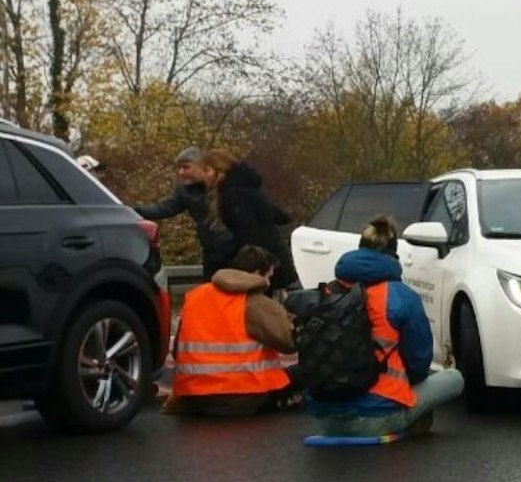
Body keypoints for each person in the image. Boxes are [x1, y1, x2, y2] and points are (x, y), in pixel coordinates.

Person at [306, 216, 464, 437]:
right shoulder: (400, 296)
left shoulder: (326, 293)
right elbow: (418, 362)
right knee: (453, 379)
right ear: (393, 253)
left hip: (324, 419)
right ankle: (412, 423)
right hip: (377, 416)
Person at [165, 245, 300, 416]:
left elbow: (177, 351)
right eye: (270, 276)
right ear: (258, 273)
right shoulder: (255, 303)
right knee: (305, 371)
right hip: (243, 398)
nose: (270, 282)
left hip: (195, 397)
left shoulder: (196, 296)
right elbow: (289, 343)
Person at [198, 149, 299, 290]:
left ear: (220, 171)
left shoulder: (232, 195)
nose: (204, 177)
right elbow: (279, 216)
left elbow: (247, 233)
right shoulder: (247, 188)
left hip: (261, 264)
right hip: (273, 258)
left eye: (207, 171)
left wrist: (223, 254)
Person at [134, 146, 234, 272]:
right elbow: (163, 208)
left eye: (186, 167)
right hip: (211, 251)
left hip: (234, 249)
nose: (181, 172)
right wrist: (134, 211)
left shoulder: (225, 186)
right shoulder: (185, 192)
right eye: (179, 168)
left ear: (202, 167)